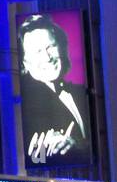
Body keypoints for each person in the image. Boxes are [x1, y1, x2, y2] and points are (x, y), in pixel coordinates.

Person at [18, 15, 90, 166]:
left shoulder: (80, 93)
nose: (47, 57)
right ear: (25, 63)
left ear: (62, 48)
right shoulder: (26, 103)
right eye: (38, 51)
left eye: (51, 46)